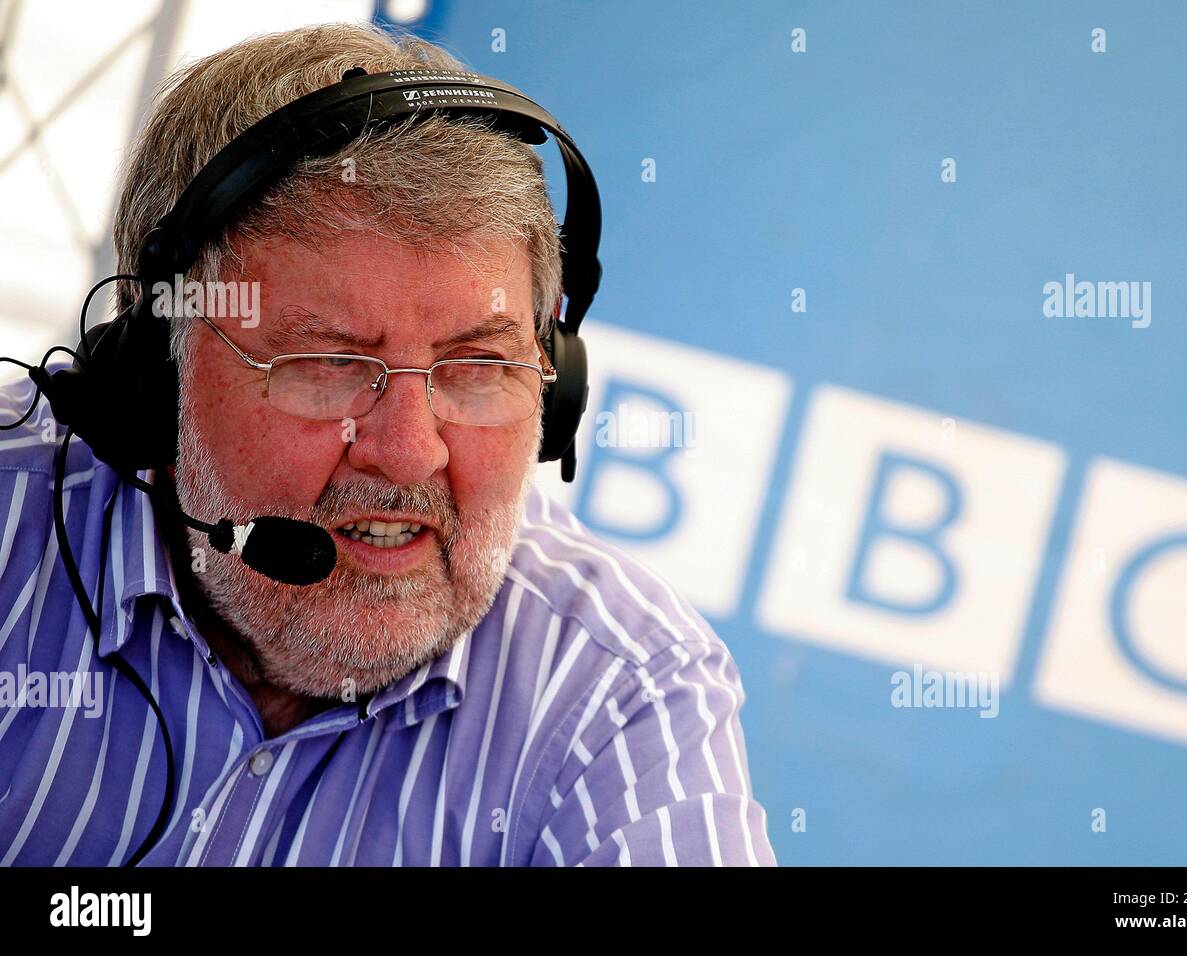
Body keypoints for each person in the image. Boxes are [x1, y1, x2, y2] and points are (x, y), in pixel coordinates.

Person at [0, 21, 776, 866]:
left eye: (479, 365)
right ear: (160, 370)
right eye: (329, 364)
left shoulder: (621, 691)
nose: (409, 453)